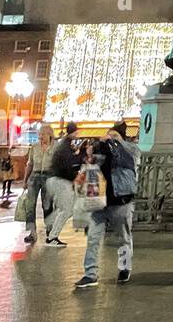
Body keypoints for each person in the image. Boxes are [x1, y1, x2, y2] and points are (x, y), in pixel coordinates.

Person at [74, 122, 138, 288]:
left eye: (115, 136)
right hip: (99, 201)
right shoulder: (103, 151)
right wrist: (90, 154)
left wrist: (112, 142)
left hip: (121, 202)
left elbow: (119, 154)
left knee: (123, 237)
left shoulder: (130, 149)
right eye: (109, 135)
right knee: (93, 238)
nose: (110, 139)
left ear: (122, 138)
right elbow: (92, 162)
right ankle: (90, 274)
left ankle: (124, 267)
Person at [44, 122, 82, 245]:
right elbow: (66, 166)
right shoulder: (66, 147)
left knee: (66, 209)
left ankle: (51, 227)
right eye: (76, 132)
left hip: (55, 180)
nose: (77, 134)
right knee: (67, 210)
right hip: (60, 181)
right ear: (74, 132)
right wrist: (74, 176)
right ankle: (52, 236)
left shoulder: (64, 145)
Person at [22, 123, 56, 245]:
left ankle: (50, 229)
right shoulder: (34, 147)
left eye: (43, 134)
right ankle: (32, 232)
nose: (40, 137)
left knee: (47, 205)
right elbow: (29, 164)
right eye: (39, 134)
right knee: (30, 205)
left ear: (49, 134)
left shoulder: (55, 147)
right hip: (35, 176)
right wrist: (25, 180)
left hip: (49, 177)